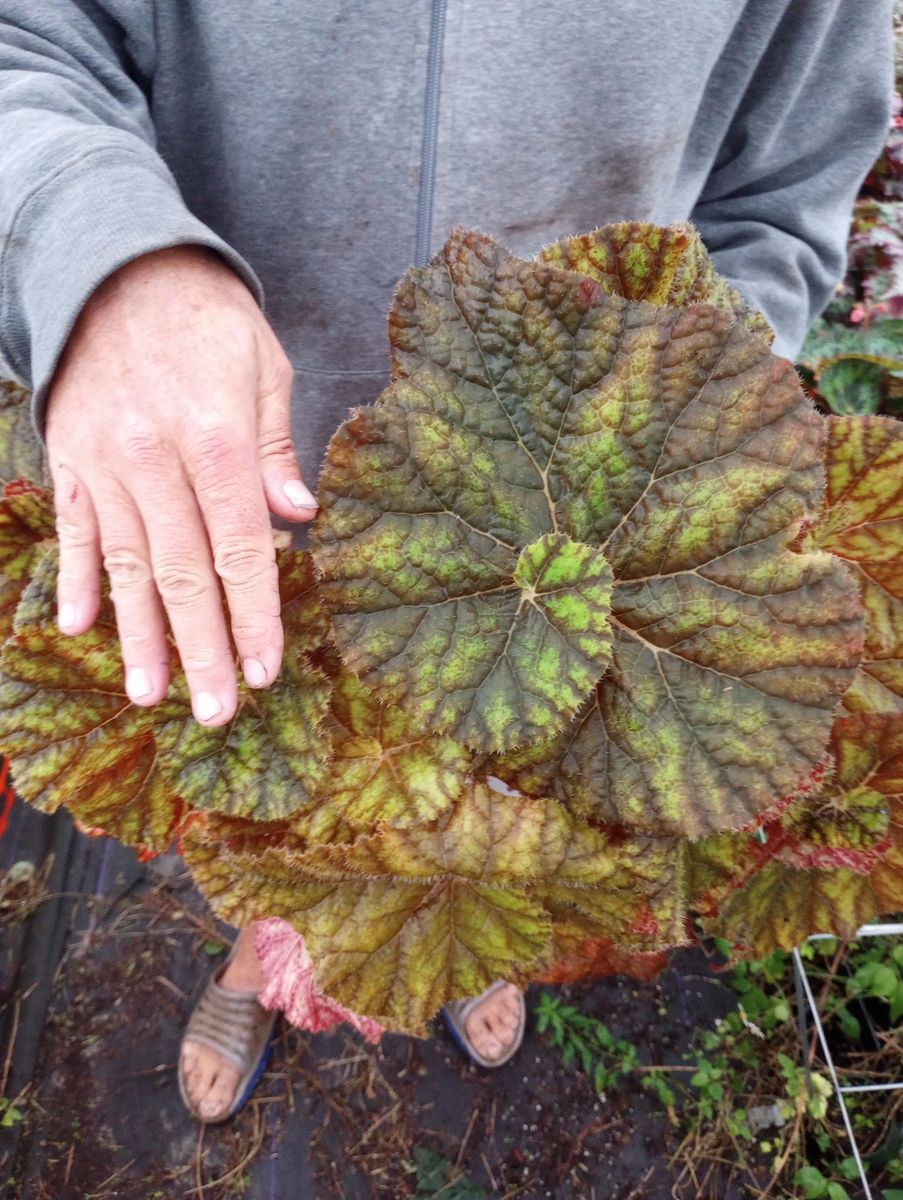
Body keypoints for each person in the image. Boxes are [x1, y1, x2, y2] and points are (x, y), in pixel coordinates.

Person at [0, 1, 893, 1124]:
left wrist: (673, 430)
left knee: (491, 840)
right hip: (222, 482)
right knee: (263, 784)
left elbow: (781, 192)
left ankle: (466, 930)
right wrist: (99, 250)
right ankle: (272, 946)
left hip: (586, 481)